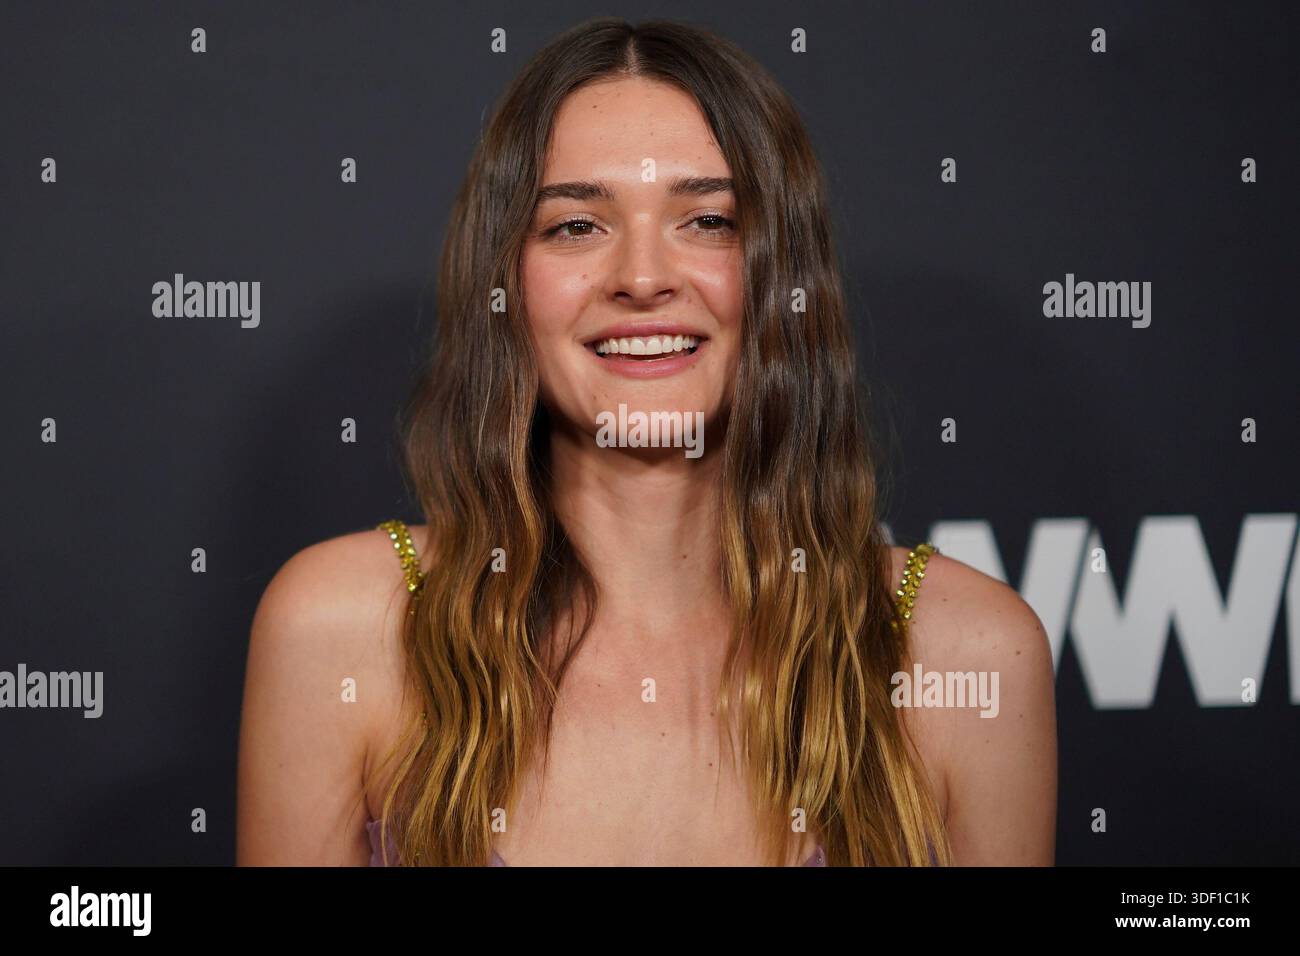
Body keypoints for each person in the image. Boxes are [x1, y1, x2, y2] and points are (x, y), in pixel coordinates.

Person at [236, 17, 1056, 866]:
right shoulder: (344, 629)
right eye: (575, 227)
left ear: (786, 274)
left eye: (706, 220)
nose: (641, 277)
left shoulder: (968, 653)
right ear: (505, 284)